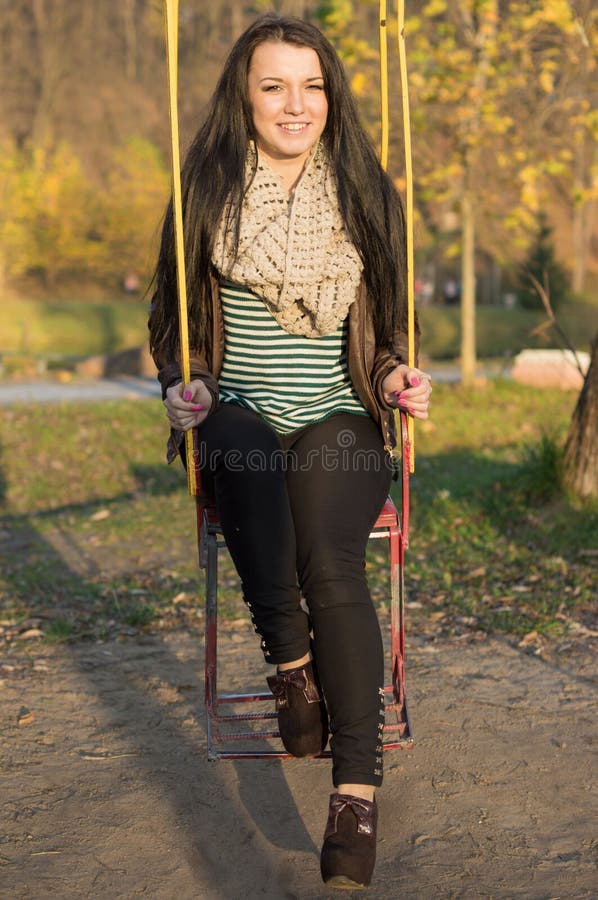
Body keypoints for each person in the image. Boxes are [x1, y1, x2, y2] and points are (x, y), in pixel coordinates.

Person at [149, 14, 431, 890]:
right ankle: (291, 664)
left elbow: (382, 335)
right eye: (274, 85)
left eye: (310, 85)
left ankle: (355, 792)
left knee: (330, 561)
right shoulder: (204, 190)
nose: (294, 104)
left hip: (338, 416)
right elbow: (176, 320)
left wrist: (394, 380)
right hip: (238, 411)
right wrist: (183, 382)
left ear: (331, 97)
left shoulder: (365, 195)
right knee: (247, 467)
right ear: (244, 95)